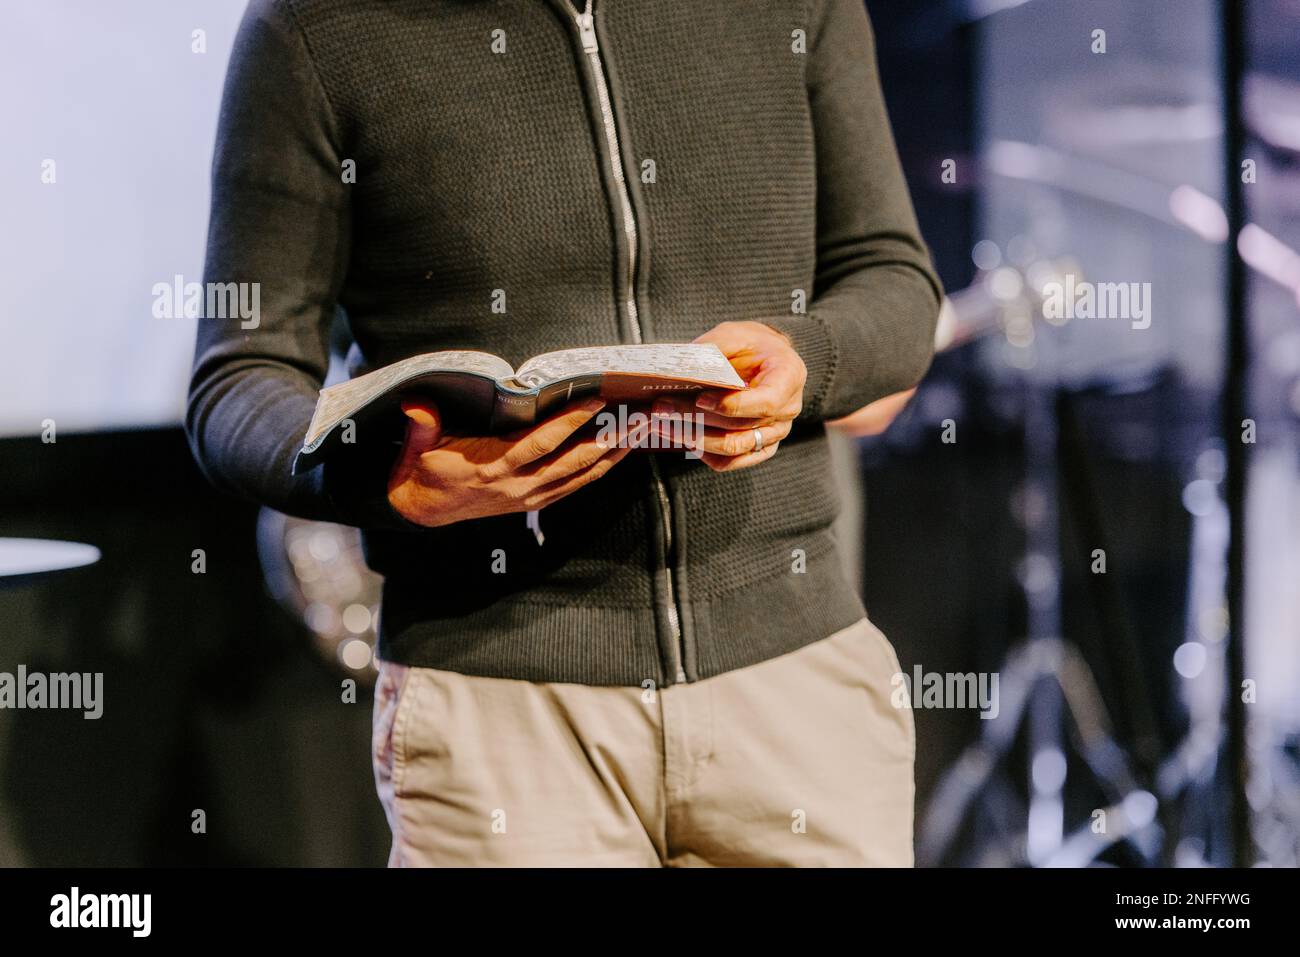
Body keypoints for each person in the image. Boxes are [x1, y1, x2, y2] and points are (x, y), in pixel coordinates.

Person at [187, 0, 942, 866]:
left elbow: (894, 280)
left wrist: (808, 358)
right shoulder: (315, 25)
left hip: (798, 684)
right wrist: (384, 480)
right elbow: (236, 383)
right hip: (498, 709)